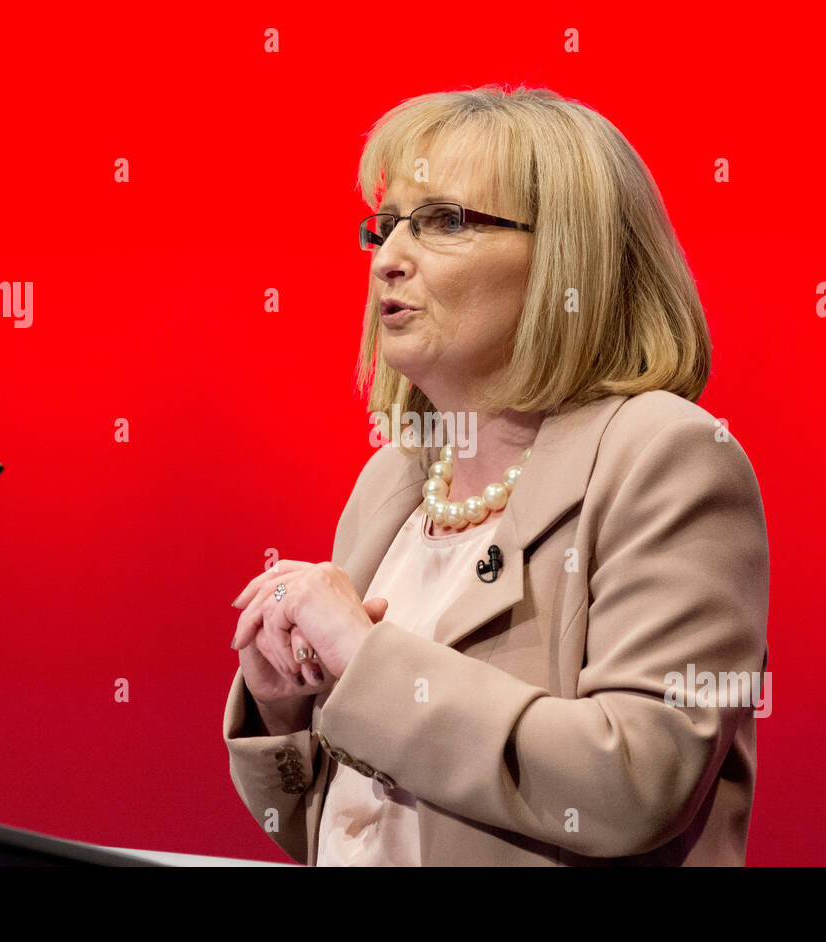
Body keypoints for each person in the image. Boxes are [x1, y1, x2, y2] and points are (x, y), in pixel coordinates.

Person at [222, 85, 769, 866]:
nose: (390, 258)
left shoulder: (665, 456)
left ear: (565, 258)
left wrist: (366, 662)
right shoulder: (395, 478)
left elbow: (637, 781)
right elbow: (355, 826)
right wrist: (286, 708)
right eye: (386, 226)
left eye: (443, 221)